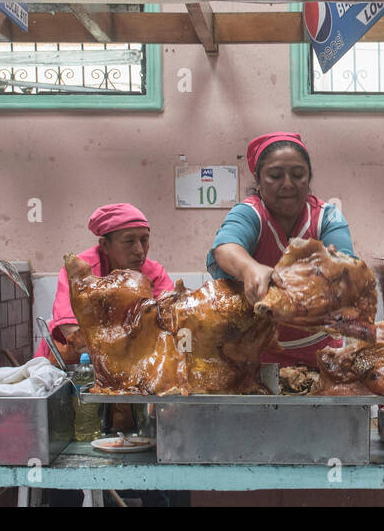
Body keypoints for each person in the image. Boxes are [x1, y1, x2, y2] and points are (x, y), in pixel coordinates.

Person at [207, 131, 354, 366]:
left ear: (309, 178)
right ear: (258, 179)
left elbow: (344, 265)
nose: (287, 184)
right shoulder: (249, 213)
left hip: (320, 355)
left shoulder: (327, 217)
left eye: (298, 175)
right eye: (275, 175)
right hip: (253, 356)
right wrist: (250, 269)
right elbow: (225, 247)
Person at [38, 203, 174, 363]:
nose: (139, 250)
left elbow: (168, 322)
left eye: (144, 240)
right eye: (129, 241)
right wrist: (115, 363)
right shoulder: (81, 269)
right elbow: (69, 328)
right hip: (73, 363)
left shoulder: (154, 274)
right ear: (105, 245)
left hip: (129, 362)